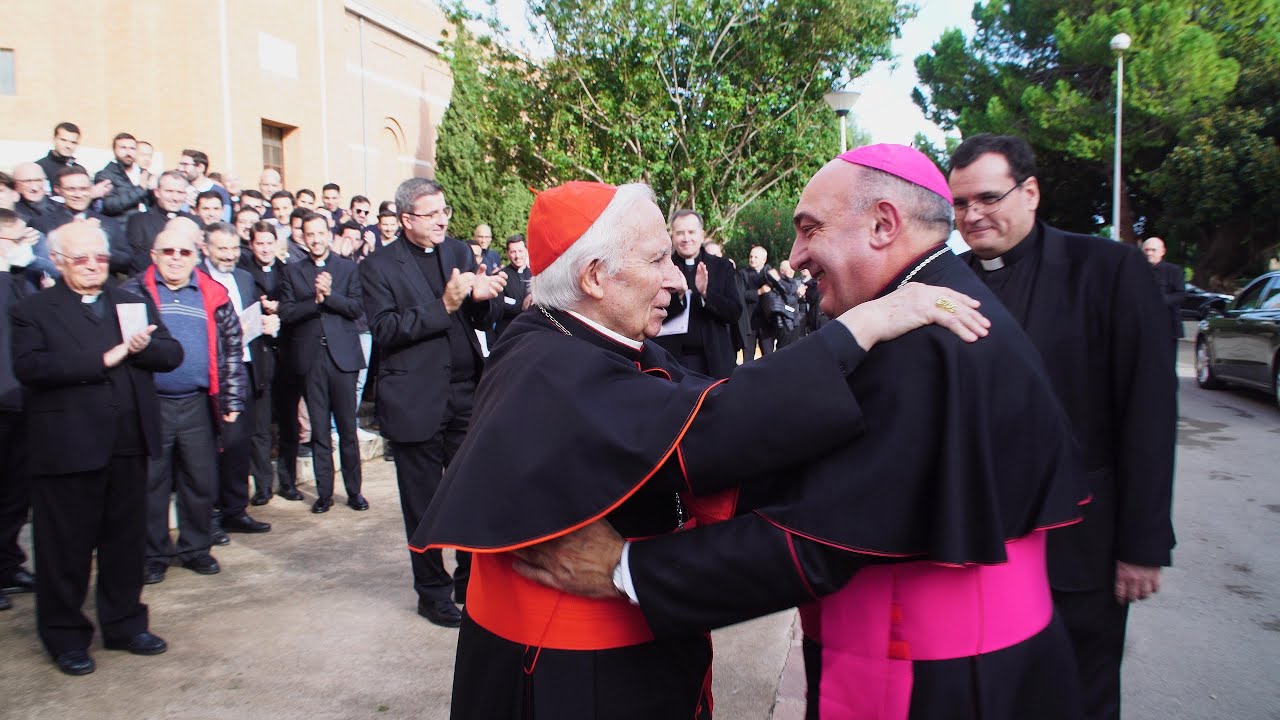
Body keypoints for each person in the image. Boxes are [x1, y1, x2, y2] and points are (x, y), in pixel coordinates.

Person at [410, 174, 1001, 719]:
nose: (674, 277)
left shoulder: (585, 338)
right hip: (571, 672)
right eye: (657, 259)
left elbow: (707, 397)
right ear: (594, 277)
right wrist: (864, 326)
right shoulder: (550, 363)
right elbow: (711, 427)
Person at [947, 134, 1176, 720]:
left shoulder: (1108, 270)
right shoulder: (948, 282)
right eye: (960, 203)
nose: (972, 215)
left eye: (987, 198)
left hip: (1081, 548)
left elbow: (1147, 413)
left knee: (1079, 698)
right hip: (982, 546)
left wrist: (1142, 546)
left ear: (1031, 192)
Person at [10, 222, 183, 675]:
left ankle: (125, 624)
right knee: (64, 549)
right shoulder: (35, 309)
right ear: (60, 261)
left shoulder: (130, 300)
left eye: (101, 258)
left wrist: (140, 348)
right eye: (82, 259)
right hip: (67, 446)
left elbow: (170, 353)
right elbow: (30, 367)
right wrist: (104, 358)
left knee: (124, 544)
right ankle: (65, 636)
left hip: (126, 443)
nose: (92, 266)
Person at [359, 178, 505, 628]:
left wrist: (482, 301)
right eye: (431, 213)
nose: (443, 219)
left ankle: (468, 580)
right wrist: (443, 304)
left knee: (469, 492)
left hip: (465, 393)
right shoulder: (378, 267)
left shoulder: (459, 252)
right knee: (422, 504)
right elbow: (383, 330)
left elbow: (475, 316)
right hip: (414, 398)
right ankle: (432, 592)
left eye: (445, 209)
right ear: (406, 220)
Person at [124, 223, 247, 584]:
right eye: (168, 252)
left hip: (198, 403)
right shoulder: (132, 293)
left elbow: (232, 353)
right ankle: (154, 553)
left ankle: (196, 548)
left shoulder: (214, 293)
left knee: (200, 480)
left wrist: (233, 397)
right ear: (154, 256)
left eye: (184, 252)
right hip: (150, 405)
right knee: (152, 484)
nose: (176, 259)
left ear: (197, 256)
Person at [279, 213, 367, 514]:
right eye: (309, 234)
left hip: (342, 359)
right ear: (302, 237)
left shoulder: (347, 269)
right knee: (319, 430)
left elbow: (356, 308)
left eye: (320, 233)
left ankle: (354, 491)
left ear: (330, 234)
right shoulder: (292, 271)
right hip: (311, 360)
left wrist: (329, 297)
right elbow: (287, 313)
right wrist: (314, 301)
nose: (316, 239)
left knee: (347, 430)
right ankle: (324, 493)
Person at [203, 224, 275, 537]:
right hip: (213, 375)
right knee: (213, 449)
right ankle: (211, 517)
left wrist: (267, 322)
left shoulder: (244, 277)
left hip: (246, 368)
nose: (230, 255)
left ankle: (235, 510)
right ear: (205, 248)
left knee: (240, 444)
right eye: (222, 249)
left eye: (234, 249)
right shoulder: (197, 280)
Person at [241, 221, 303, 504]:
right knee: (261, 425)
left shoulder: (288, 271)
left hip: (286, 357)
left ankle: (288, 483)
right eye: (260, 243)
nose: (265, 249)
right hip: (258, 358)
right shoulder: (244, 275)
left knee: (289, 424)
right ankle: (264, 485)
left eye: (269, 243)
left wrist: (281, 313)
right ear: (252, 244)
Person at [0, 211, 40, 607]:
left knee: (15, 494)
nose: (24, 246)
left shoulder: (22, 280)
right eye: (15, 239)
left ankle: (8, 563)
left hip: (23, 400)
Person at [653, 210, 742, 378]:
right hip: (672, 360)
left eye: (691, 232)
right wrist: (678, 296)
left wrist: (706, 294)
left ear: (701, 235)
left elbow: (734, 313)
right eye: (680, 233)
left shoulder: (722, 267)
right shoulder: (661, 267)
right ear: (672, 236)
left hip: (714, 360)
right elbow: (651, 314)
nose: (686, 238)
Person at [126, 171, 197, 274]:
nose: (175, 198)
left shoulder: (195, 221)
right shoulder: (139, 221)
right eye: (169, 191)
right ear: (157, 192)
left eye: (180, 193)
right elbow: (136, 259)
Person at [95, 132, 152, 225]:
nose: (128, 152)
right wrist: (140, 189)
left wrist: (152, 191)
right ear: (114, 150)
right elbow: (110, 205)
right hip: (123, 228)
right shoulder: (105, 175)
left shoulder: (144, 174)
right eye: (123, 148)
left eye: (132, 148)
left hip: (146, 227)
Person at [1142, 237, 1185, 347]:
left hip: (1168, 326)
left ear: (1162, 251)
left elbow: (1180, 294)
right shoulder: (1135, 270)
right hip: (1142, 326)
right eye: (1146, 250)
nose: (1149, 253)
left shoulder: (1174, 271)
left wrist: (1158, 301)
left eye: (1153, 250)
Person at [493, 234, 531, 339]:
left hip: (532, 332)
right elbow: (498, 306)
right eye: (513, 252)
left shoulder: (536, 275)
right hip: (508, 333)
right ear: (507, 254)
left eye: (520, 251)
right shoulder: (500, 276)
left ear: (526, 251)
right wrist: (522, 307)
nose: (517, 256)